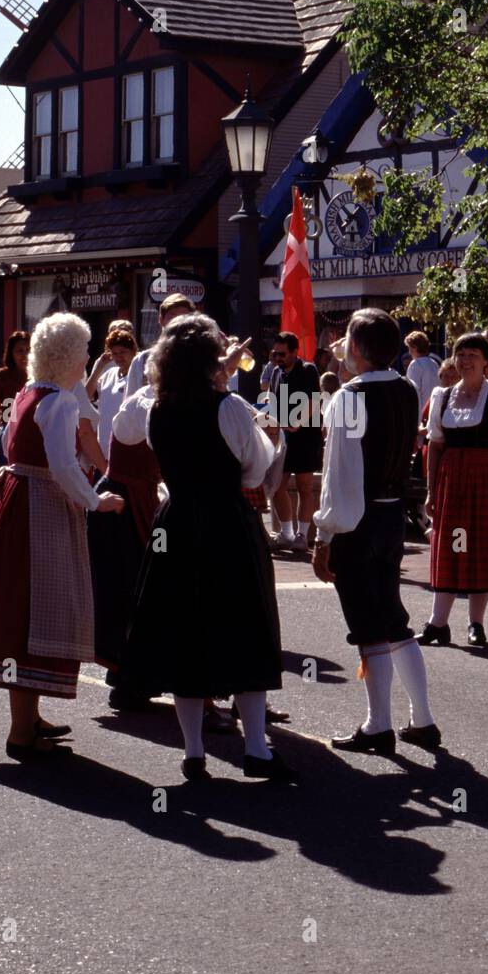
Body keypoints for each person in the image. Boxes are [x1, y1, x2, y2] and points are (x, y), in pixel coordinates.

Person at [113, 315, 296, 781]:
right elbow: (254, 471)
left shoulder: (155, 406)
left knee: (183, 632)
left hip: (174, 523)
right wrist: (270, 438)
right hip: (227, 521)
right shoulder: (229, 406)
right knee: (246, 628)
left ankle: (194, 752)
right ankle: (256, 749)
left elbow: (125, 431)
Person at [0, 314, 124, 760]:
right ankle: (21, 731)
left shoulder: (33, 392)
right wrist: (96, 500)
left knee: (23, 610)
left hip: (16, 500)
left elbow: (14, 447)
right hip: (40, 507)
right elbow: (63, 465)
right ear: (68, 355)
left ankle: (27, 718)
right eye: (83, 350)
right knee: (38, 609)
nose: (88, 357)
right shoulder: (58, 401)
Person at [313, 308, 440, 753]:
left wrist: (324, 535)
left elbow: (340, 473)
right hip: (390, 517)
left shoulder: (348, 397)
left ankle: (378, 725)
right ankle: (421, 719)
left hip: (358, 518)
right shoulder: (406, 388)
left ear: (355, 347)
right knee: (392, 617)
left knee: (368, 626)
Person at [419, 332, 488, 647]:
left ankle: (476, 624)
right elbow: (436, 446)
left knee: (476, 550)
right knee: (451, 547)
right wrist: (431, 491)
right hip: (452, 481)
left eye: (472, 355)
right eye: (460, 355)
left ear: (486, 360)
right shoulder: (443, 396)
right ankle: (438, 623)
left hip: (485, 480)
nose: (465, 361)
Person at [87, 382, 162, 686]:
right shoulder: (145, 406)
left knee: (132, 587)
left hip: (133, 500)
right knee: (129, 587)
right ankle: (127, 676)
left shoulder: (151, 402)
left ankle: (130, 676)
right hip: (123, 505)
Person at [269, 331, 323, 552]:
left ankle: (301, 535)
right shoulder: (275, 373)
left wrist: (298, 421)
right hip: (283, 437)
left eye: (282, 354)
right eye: (275, 353)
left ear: (294, 352)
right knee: (277, 486)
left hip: (306, 437)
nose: (278, 358)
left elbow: (315, 399)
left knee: (304, 486)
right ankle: (286, 533)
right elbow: (272, 402)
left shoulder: (308, 369)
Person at [125, 293, 195, 396]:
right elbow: (129, 408)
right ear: (161, 319)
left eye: (184, 317)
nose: (178, 322)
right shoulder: (141, 362)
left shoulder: (201, 359)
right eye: (172, 316)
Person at [85, 328, 138, 459]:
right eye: (114, 353)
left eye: (123, 352)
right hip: (102, 447)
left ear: (133, 351)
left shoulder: (140, 376)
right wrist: (99, 367)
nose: (119, 357)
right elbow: (86, 396)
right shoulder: (109, 373)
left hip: (127, 449)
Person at [0, 332, 30, 465]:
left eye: (28, 350)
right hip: (9, 431)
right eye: (19, 351)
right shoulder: (0, 376)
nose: (25, 355)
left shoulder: (40, 375)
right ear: (11, 353)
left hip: (34, 432)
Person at [405, 331, 441, 416]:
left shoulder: (415, 364)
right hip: (434, 410)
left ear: (415, 347)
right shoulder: (434, 363)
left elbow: (412, 392)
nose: (409, 352)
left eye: (410, 348)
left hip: (420, 413)